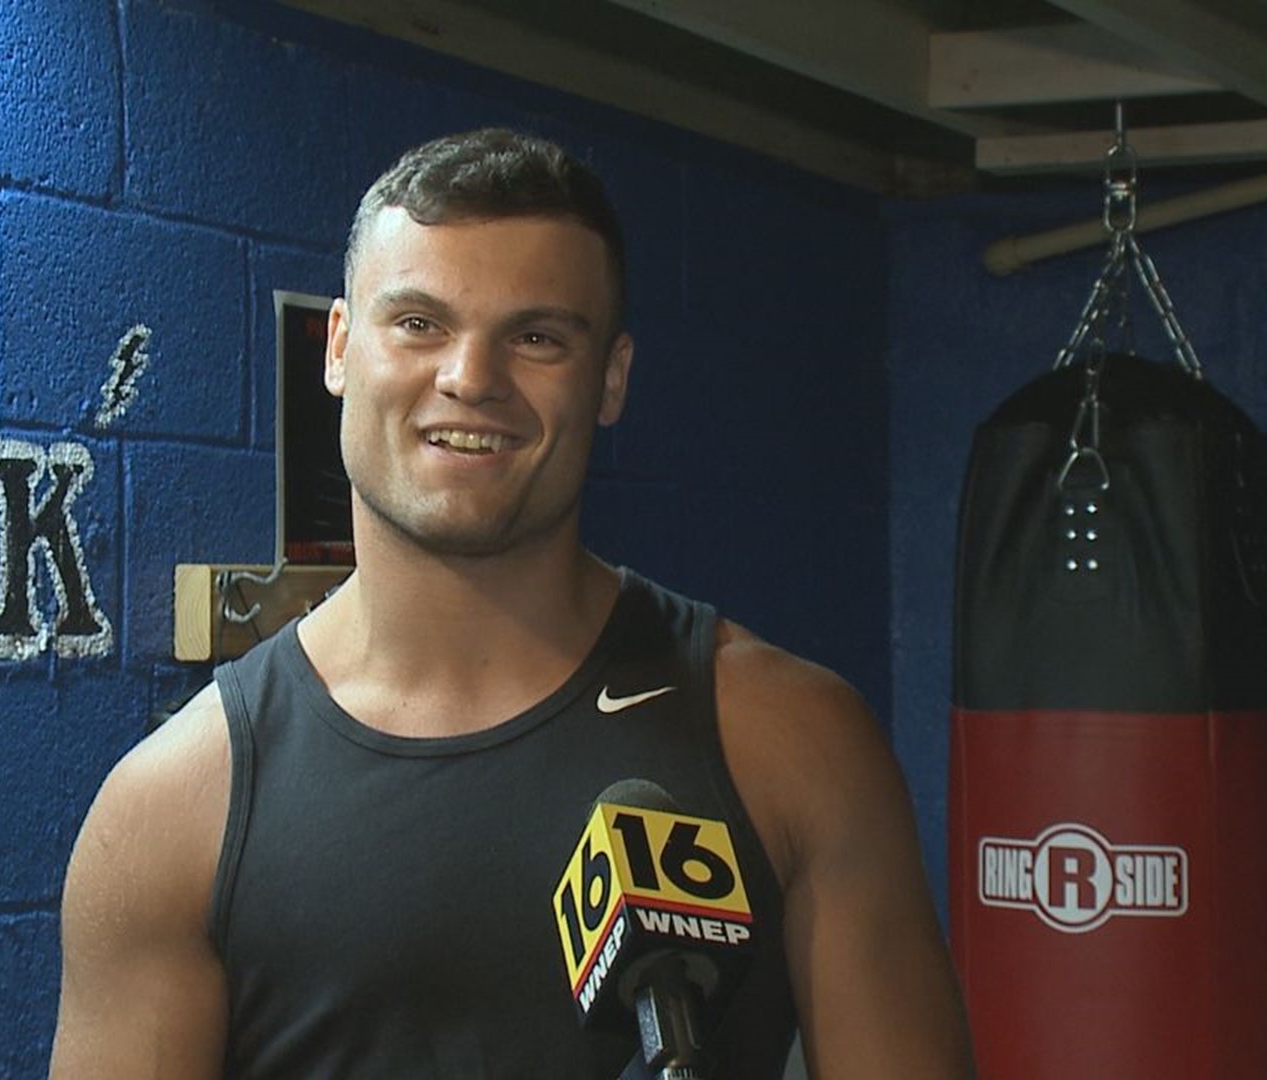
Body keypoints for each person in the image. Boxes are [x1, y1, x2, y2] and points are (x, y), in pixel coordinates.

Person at [50, 128, 973, 1079]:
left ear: (609, 379)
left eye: (536, 337)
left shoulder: (790, 739)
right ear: (337, 348)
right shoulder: (172, 811)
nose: (471, 378)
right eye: (418, 323)